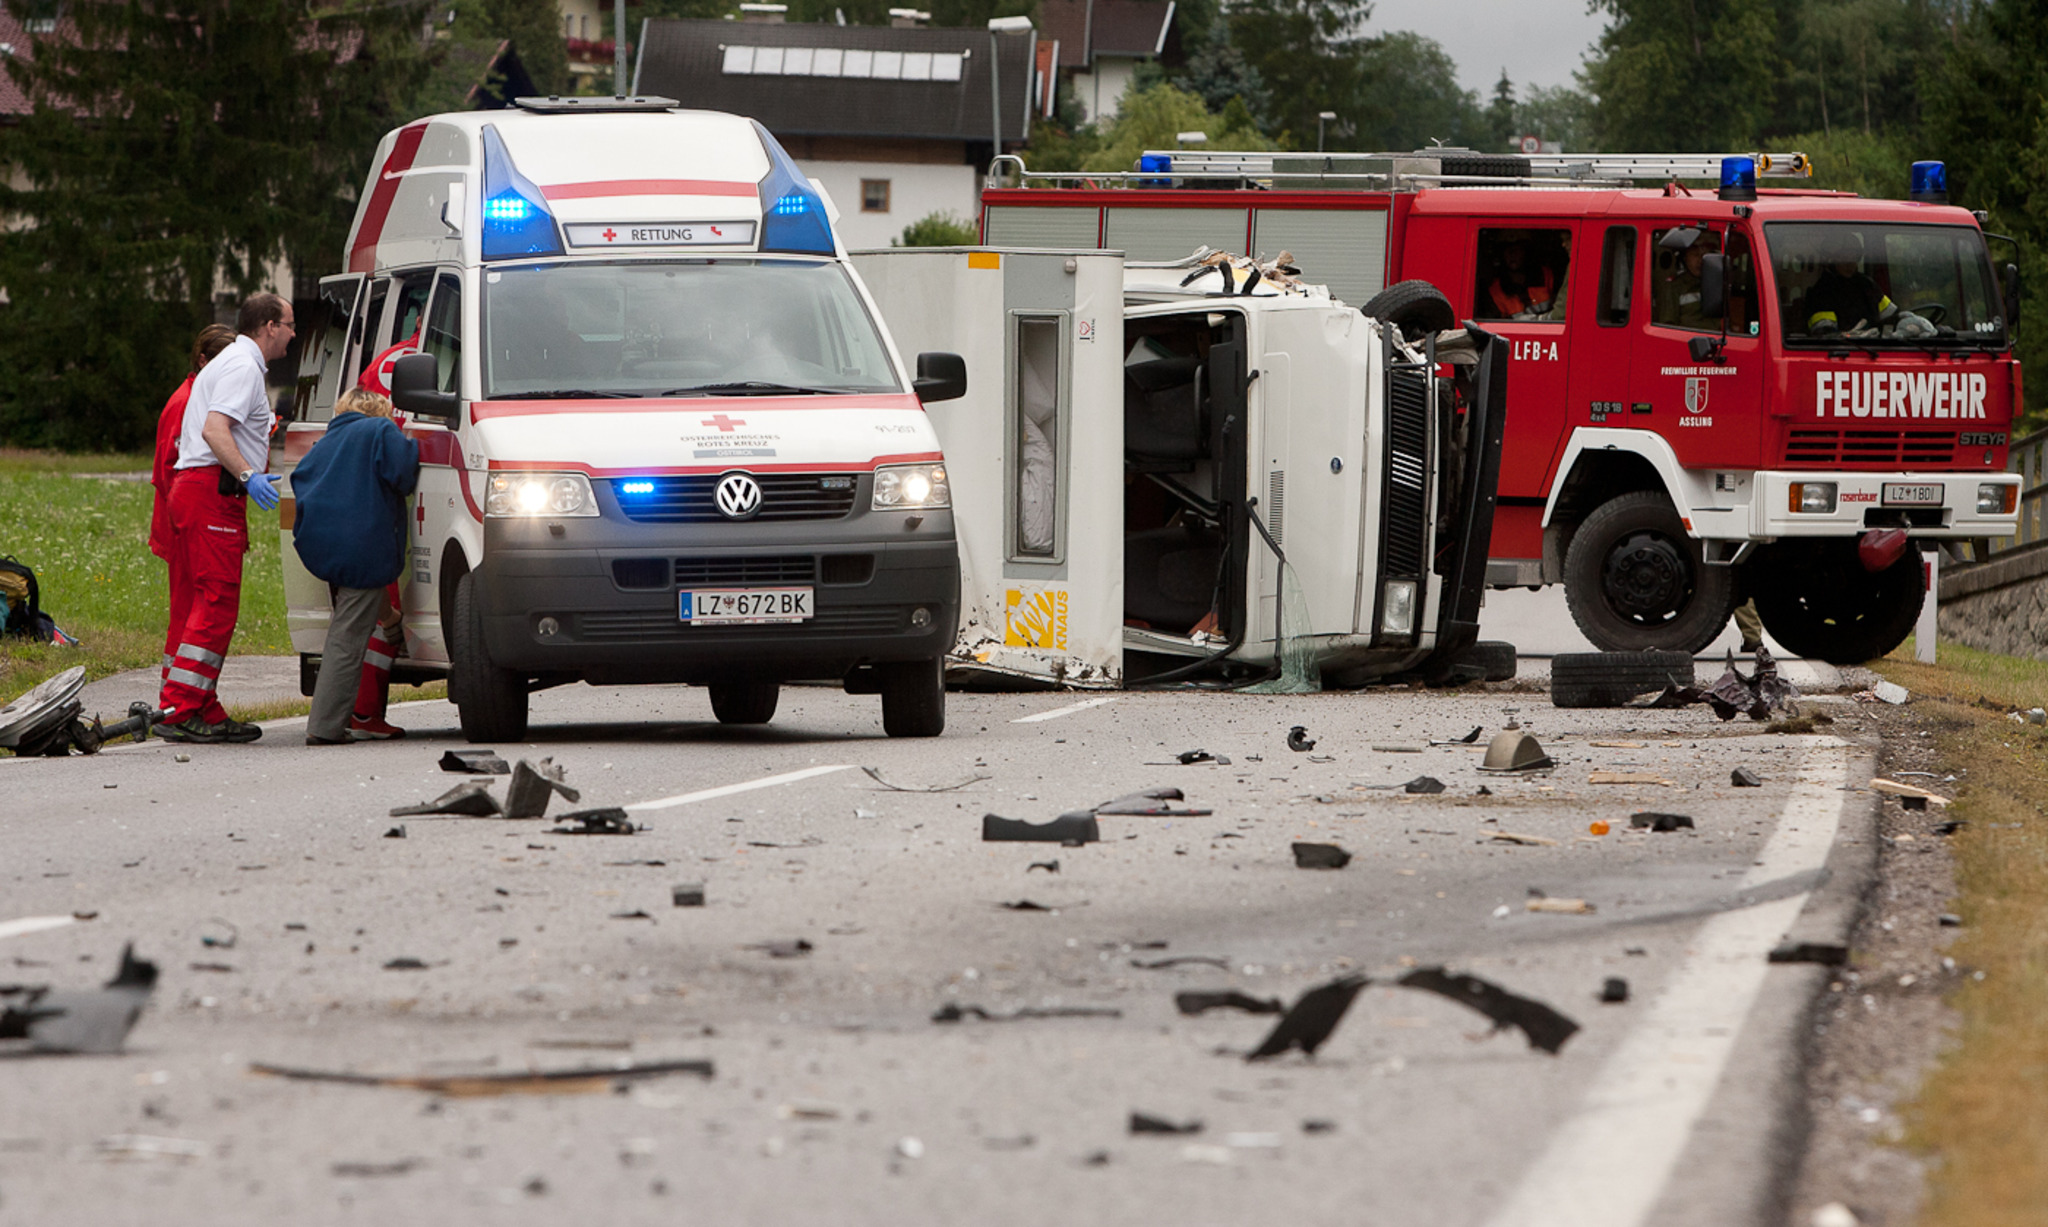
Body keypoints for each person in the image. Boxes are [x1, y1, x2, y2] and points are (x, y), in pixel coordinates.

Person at [155, 293, 294, 743]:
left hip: (199, 491)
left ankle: (199, 704)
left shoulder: (228, 362)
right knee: (216, 602)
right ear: (269, 326)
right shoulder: (242, 366)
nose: (294, 333)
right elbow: (216, 429)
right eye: (289, 324)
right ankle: (181, 706)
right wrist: (249, 474)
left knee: (200, 603)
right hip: (211, 492)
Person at [289, 388, 420, 746]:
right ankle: (326, 726)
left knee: (355, 605)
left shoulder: (329, 439)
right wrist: (412, 444)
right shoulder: (380, 430)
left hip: (321, 545)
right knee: (347, 638)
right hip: (360, 545)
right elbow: (404, 474)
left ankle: (392, 626)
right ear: (379, 411)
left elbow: (300, 478)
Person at [149, 324, 238, 689]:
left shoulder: (197, 397)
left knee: (192, 606)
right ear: (204, 361)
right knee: (190, 608)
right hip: (185, 522)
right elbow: (171, 467)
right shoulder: (188, 402)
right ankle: (178, 695)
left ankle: (181, 693)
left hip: (185, 520)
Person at [1487, 239, 1558, 320]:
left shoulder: (1546, 275)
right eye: (1507, 250)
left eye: (1517, 249)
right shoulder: (1495, 290)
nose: (1512, 254)